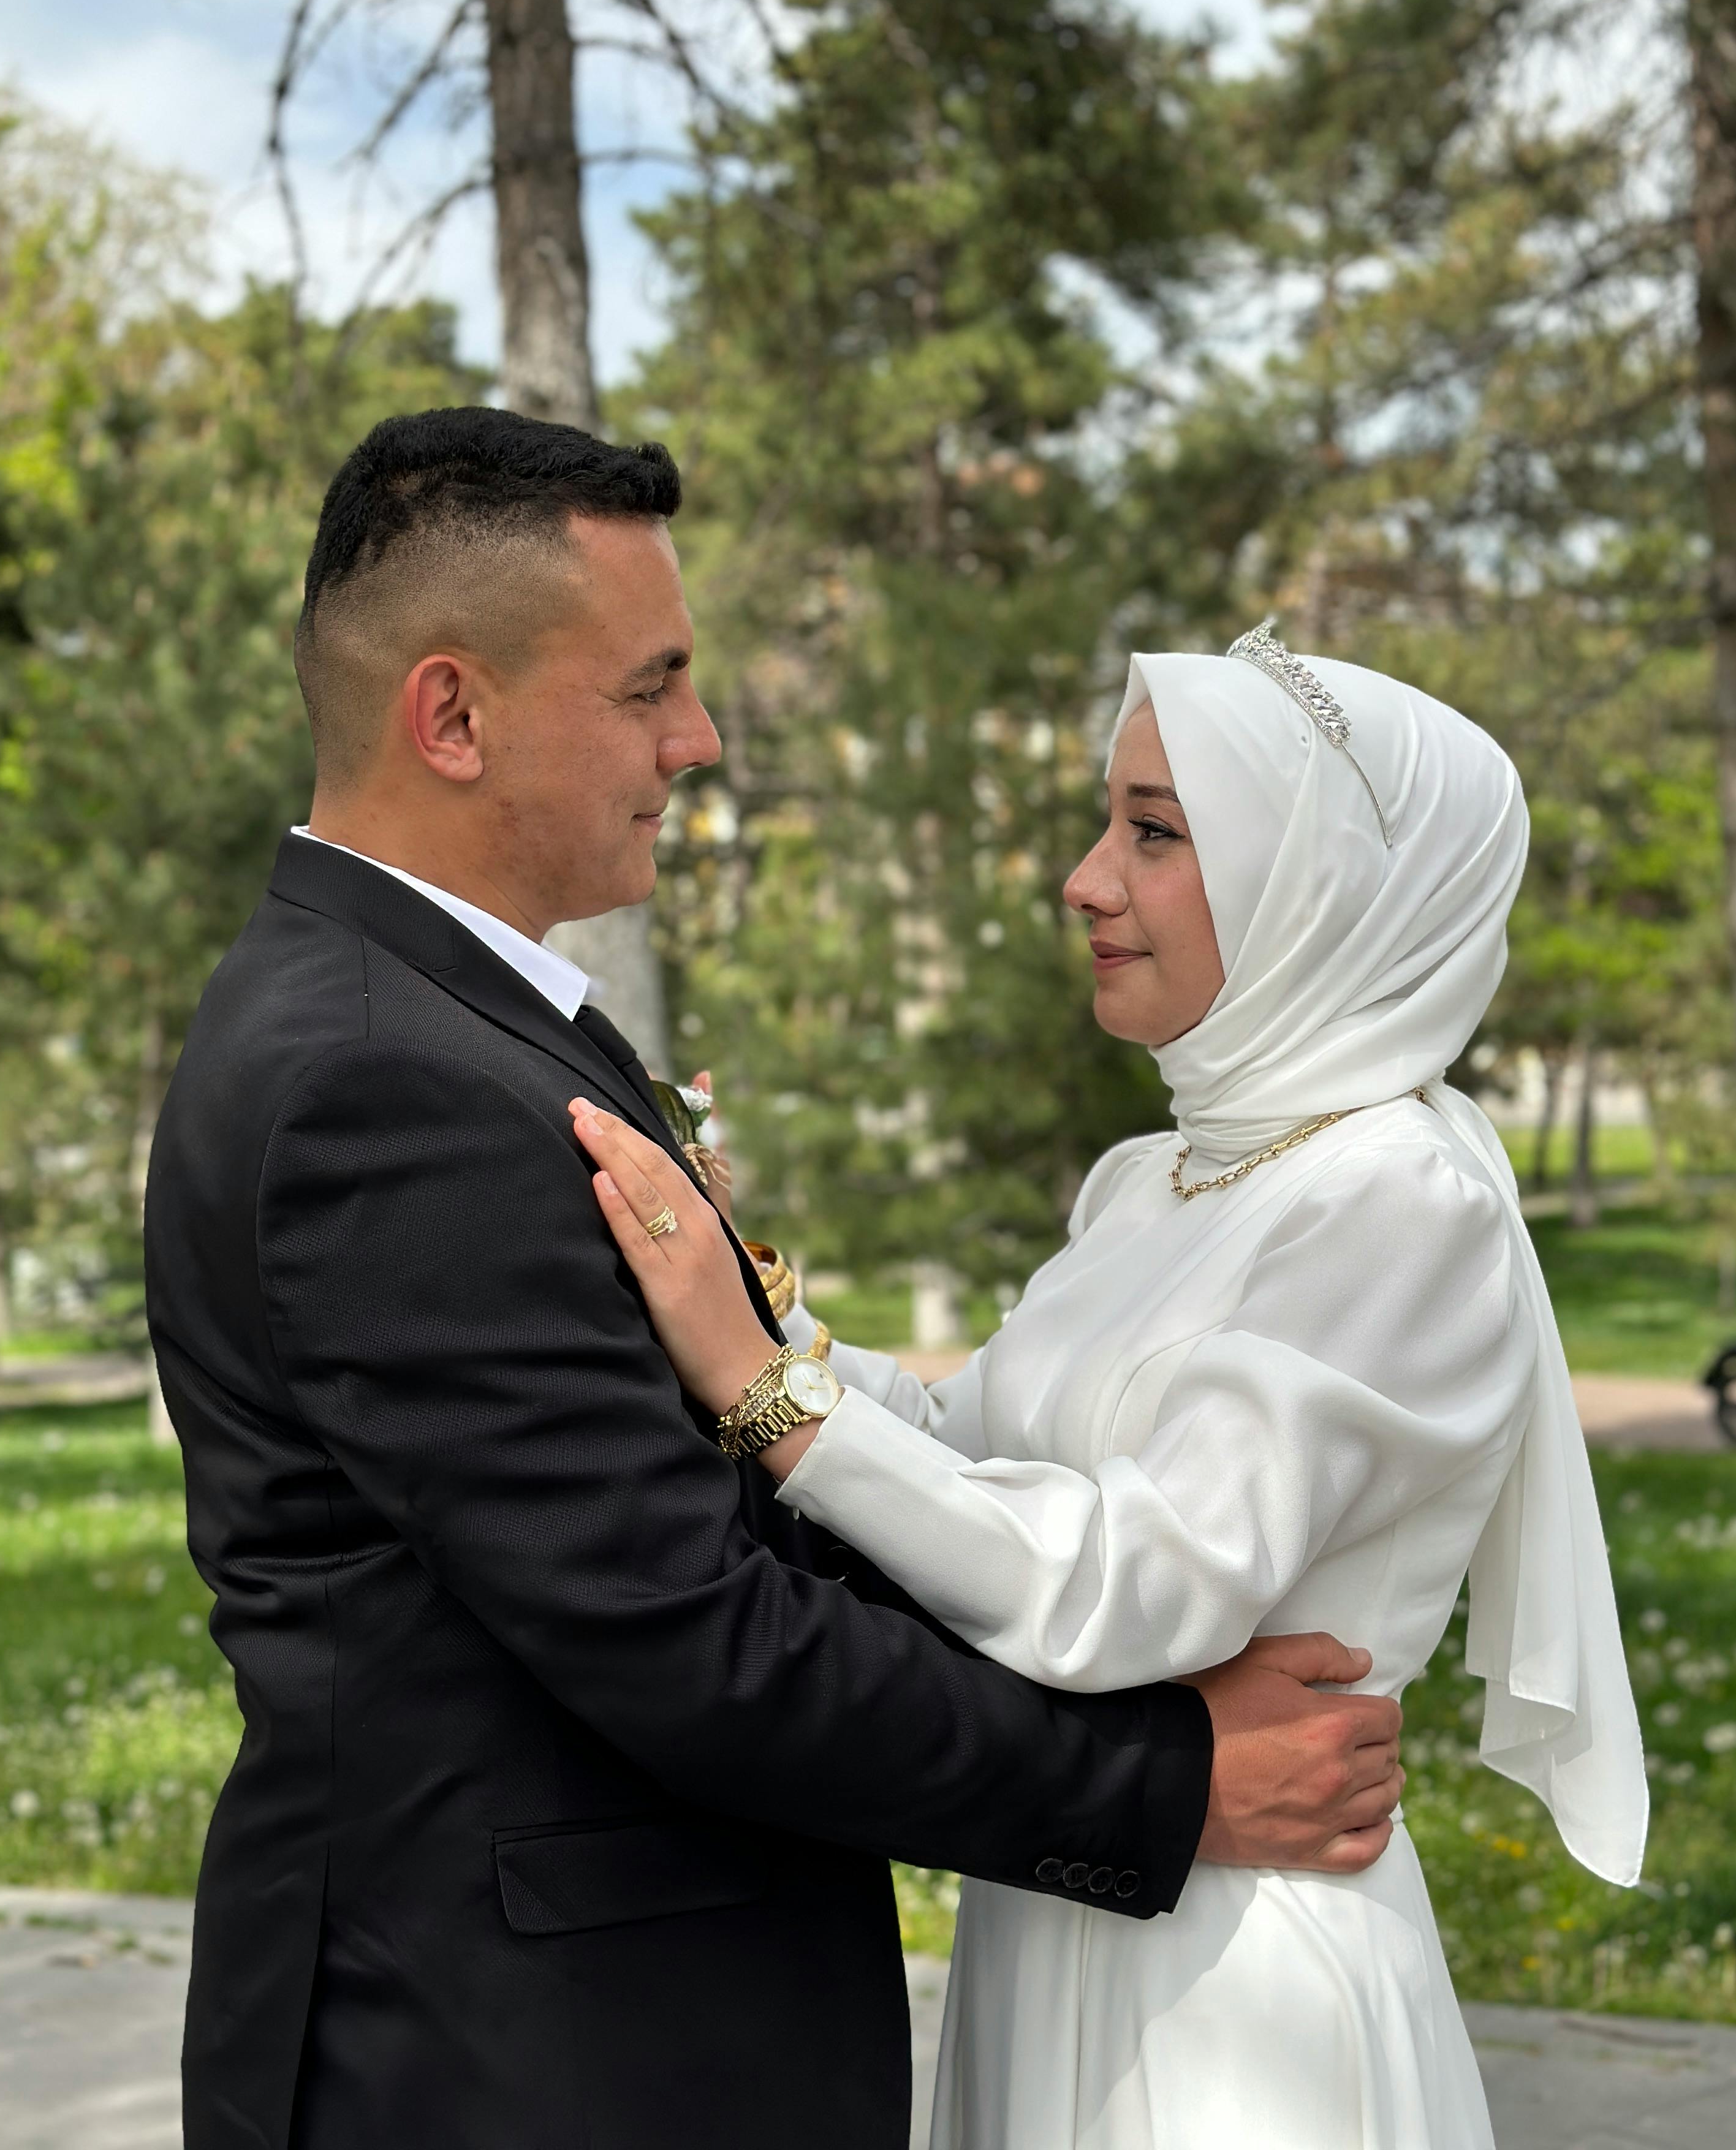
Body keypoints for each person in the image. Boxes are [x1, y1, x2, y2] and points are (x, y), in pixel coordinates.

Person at [144, 410, 1406, 2150]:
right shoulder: (378, 1078)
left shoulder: (438, 1024)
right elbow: (686, 1637)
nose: (704, 737)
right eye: (650, 686)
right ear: (451, 713)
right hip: (514, 2062)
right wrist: (1168, 1782)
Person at [574, 631, 1651, 2150]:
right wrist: (754, 1308)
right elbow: (968, 1448)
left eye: (1155, 831)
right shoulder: (1153, 1181)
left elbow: (1132, 1588)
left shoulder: (1402, 1201)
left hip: (1236, 1987)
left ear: (1316, 883)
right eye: (1107, 822)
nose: (1085, 879)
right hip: (1079, 1897)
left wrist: (765, 1391)